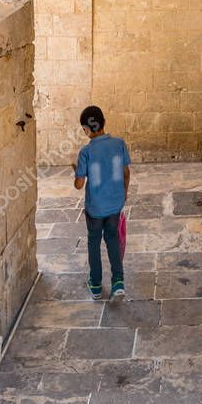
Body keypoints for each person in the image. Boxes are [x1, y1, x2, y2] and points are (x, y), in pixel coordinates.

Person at [73, 105, 131, 300]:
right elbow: (126, 173)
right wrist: (124, 193)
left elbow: (79, 185)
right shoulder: (119, 144)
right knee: (113, 239)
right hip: (115, 204)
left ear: (86, 129)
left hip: (95, 208)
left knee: (94, 241)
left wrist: (76, 171)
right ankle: (118, 281)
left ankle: (96, 284)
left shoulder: (85, 152)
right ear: (103, 122)